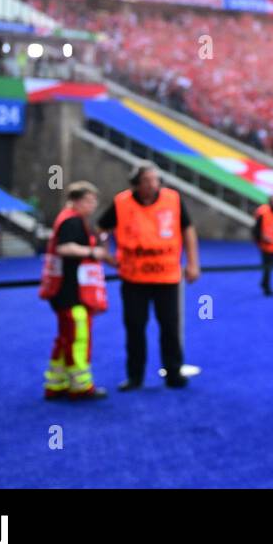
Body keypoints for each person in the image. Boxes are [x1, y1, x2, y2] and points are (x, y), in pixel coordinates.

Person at [97, 162, 200, 390]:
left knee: (170, 327)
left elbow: (188, 230)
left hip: (167, 276)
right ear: (136, 183)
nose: (153, 184)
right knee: (134, 327)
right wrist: (106, 253)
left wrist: (193, 263)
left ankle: (173, 372)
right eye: (147, 180)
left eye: (156, 179)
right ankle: (135, 377)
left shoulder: (172, 199)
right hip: (134, 278)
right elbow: (101, 228)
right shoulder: (121, 202)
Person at [38, 182, 113, 400]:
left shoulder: (67, 218)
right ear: (78, 200)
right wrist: (92, 251)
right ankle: (81, 385)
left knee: (65, 338)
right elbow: (65, 248)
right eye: (90, 200)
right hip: (70, 293)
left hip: (63, 291)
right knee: (78, 338)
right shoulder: (71, 221)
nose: (94, 205)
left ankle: (56, 383)